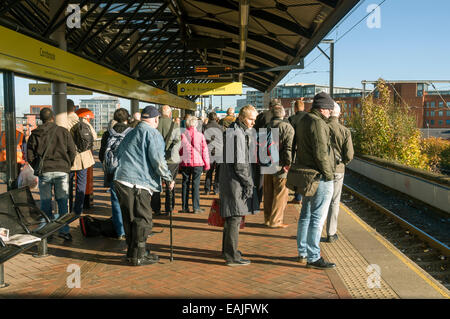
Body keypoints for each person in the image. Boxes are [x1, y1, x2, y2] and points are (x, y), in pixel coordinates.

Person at [113, 105, 174, 266]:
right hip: (138, 182)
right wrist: (168, 178)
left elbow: (119, 154)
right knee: (144, 219)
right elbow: (159, 161)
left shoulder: (131, 132)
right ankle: (139, 256)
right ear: (155, 119)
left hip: (121, 179)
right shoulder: (152, 133)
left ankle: (133, 252)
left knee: (130, 219)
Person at [294, 92, 336, 270]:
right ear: (323, 109)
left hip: (306, 175)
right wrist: (329, 175)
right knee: (317, 218)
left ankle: (303, 251)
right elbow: (322, 153)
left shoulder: (304, 120)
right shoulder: (318, 123)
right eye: (329, 110)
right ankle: (313, 256)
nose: (330, 113)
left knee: (305, 214)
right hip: (318, 176)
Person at [27, 108, 77, 241]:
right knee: (62, 202)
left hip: (45, 172)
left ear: (41, 119)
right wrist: (67, 165)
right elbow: (72, 151)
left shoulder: (35, 134)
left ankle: (47, 232)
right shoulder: (63, 131)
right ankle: (64, 231)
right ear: (53, 118)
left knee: (45, 203)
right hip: (62, 171)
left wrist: (38, 167)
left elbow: (30, 156)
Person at [219, 104, 259, 266]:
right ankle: (232, 255)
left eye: (254, 120)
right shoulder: (238, 135)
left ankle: (228, 250)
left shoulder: (234, 131)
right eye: (251, 119)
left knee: (231, 218)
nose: (253, 123)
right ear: (242, 117)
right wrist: (249, 183)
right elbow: (240, 163)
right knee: (234, 218)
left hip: (229, 179)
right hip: (235, 182)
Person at [99, 108, 132, 239]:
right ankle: (130, 228)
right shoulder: (132, 132)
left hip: (113, 173)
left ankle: (120, 231)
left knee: (115, 201)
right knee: (130, 201)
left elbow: (102, 154)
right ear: (127, 118)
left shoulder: (108, 134)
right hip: (128, 171)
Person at [325, 102, 354, 242]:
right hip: (338, 170)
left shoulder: (321, 127)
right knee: (334, 201)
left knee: (319, 201)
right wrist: (342, 164)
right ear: (339, 114)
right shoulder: (345, 131)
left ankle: (314, 232)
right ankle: (331, 233)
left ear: (329, 112)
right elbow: (349, 155)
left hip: (321, 169)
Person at [263, 105, 294, 228]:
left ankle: (267, 218)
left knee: (268, 192)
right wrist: (288, 163)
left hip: (267, 162)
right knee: (281, 193)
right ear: (283, 114)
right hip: (280, 164)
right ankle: (276, 221)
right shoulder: (287, 127)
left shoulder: (266, 126)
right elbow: (288, 147)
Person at [67, 100, 97, 216]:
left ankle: (67, 208)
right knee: (81, 184)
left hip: (69, 158)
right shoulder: (81, 120)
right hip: (84, 158)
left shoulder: (61, 121)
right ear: (74, 108)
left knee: (67, 184)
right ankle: (78, 210)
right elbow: (93, 136)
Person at [151, 105, 181, 216]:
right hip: (171, 160)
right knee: (170, 183)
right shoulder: (175, 125)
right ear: (169, 114)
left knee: (156, 183)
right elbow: (178, 142)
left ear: (159, 113)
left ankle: (156, 208)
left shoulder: (155, 124)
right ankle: (169, 208)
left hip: (156, 158)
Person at [179, 115, 210, 214]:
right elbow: (205, 151)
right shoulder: (200, 136)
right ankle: (196, 207)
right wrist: (207, 164)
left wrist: (180, 163)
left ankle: (184, 207)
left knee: (185, 184)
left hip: (186, 163)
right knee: (195, 185)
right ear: (196, 124)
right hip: (198, 163)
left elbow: (180, 151)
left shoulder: (182, 135)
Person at [288, 98, 307, 205]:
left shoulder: (292, 119)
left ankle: (298, 197)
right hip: (306, 149)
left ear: (295, 108)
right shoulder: (309, 118)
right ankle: (302, 195)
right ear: (303, 107)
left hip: (295, 149)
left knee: (296, 173)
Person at [202, 112, 224, 195]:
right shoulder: (221, 127)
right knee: (218, 172)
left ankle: (207, 189)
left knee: (209, 171)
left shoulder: (204, 127)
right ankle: (216, 189)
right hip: (219, 151)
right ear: (216, 118)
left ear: (209, 118)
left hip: (209, 151)